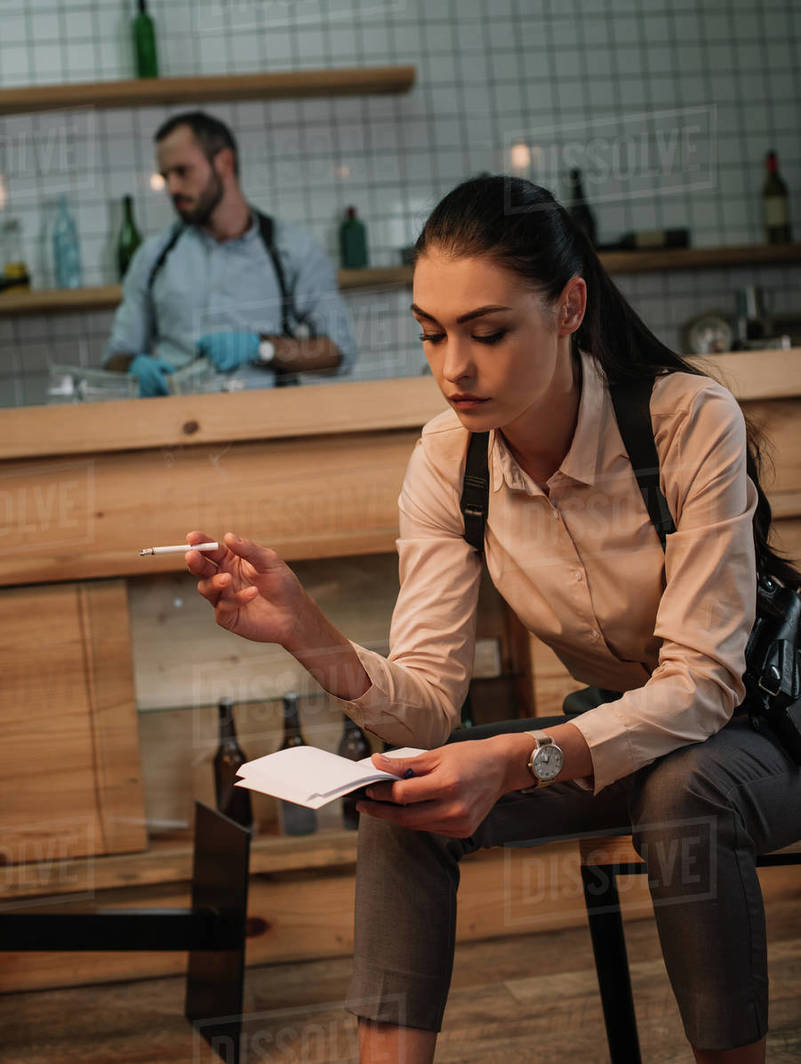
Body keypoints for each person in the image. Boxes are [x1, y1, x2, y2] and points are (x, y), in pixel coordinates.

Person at [184, 175, 801, 1064]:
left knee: (684, 792)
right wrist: (306, 632)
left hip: (766, 732)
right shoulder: (447, 458)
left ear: (567, 309)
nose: (452, 369)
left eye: (486, 331)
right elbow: (430, 705)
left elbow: (702, 684)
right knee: (403, 789)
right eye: (431, 333)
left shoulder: (684, 419)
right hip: (626, 731)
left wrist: (518, 757)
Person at [102, 111, 356, 395]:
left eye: (182, 172)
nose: (172, 188)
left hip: (268, 428)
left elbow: (339, 353)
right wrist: (133, 367)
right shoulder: (153, 257)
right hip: (177, 426)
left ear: (224, 162)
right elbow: (115, 359)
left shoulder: (292, 249)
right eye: (165, 176)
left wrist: (263, 348)